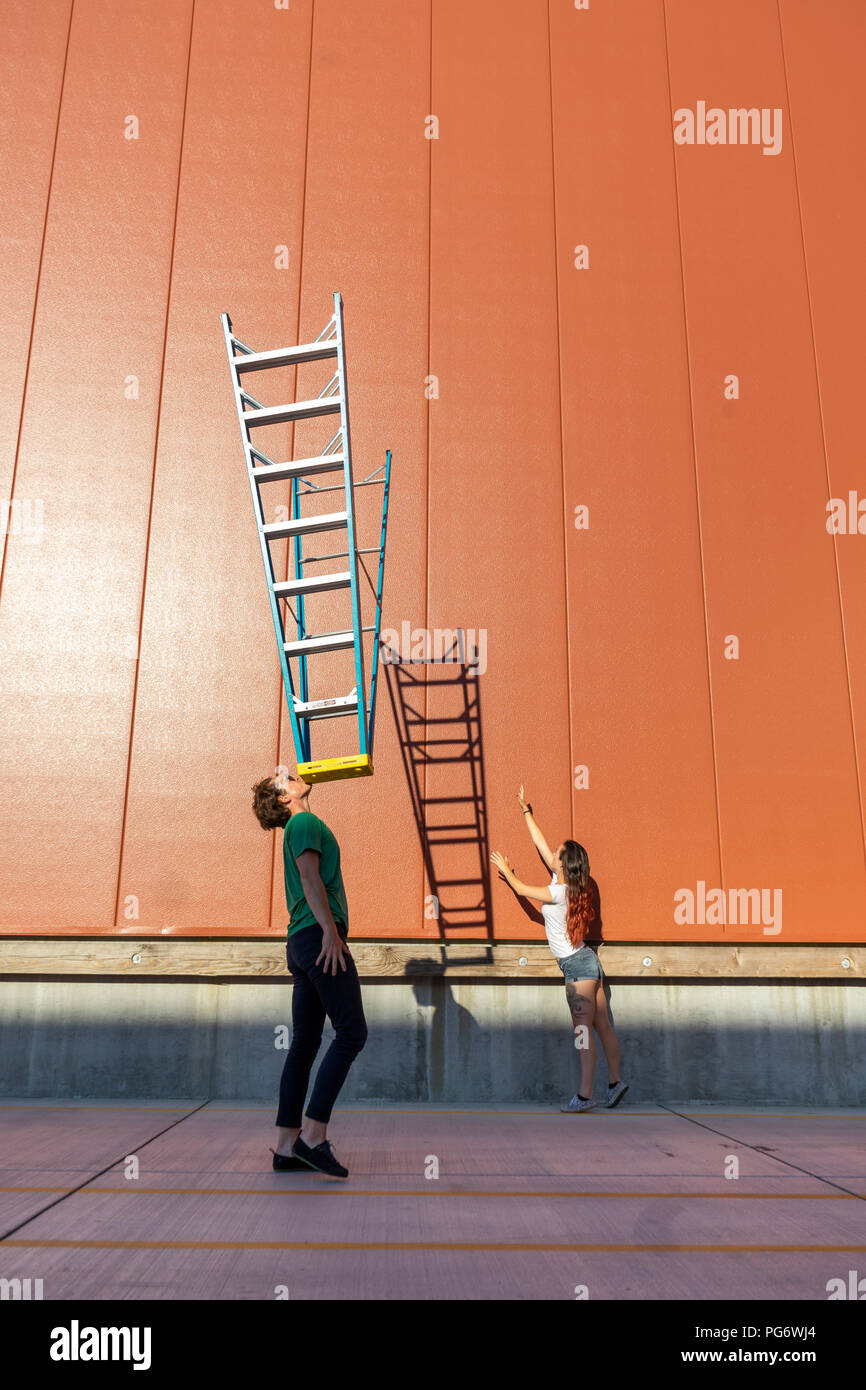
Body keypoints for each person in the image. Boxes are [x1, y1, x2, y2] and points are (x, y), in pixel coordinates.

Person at [251, 768, 367, 1178]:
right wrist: (332, 935)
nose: (291, 771)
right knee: (352, 1033)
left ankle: (286, 1148)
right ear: (284, 798)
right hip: (317, 937)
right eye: (282, 776)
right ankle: (313, 1137)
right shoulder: (303, 821)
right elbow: (310, 878)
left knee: (304, 1044)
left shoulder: (298, 825)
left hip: (300, 942)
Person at [490, 785, 628, 1113]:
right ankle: (615, 1082)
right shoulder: (564, 883)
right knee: (603, 1025)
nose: (552, 851)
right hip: (588, 963)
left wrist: (507, 870)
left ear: (564, 863)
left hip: (577, 968)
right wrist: (526, 812)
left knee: (583, 1032)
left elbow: (523, 889)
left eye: (557, 851)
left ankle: (584, 1096)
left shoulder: (560, 891)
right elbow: (540, 844)